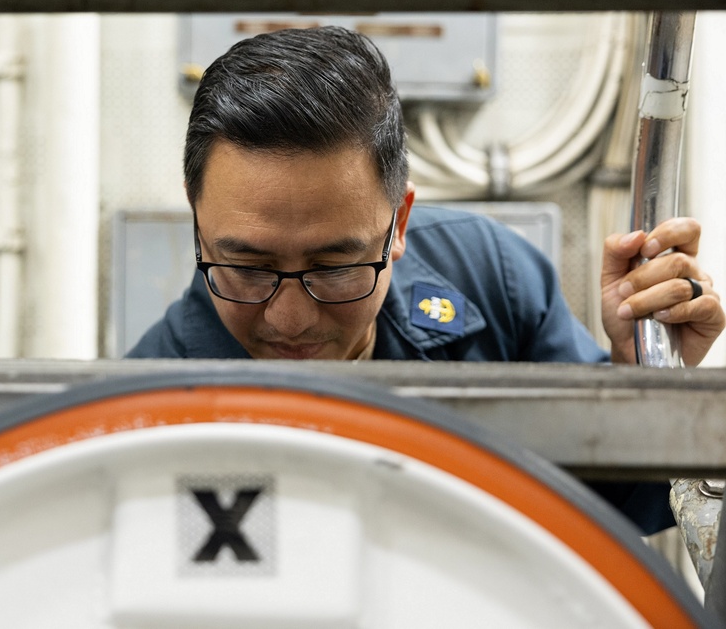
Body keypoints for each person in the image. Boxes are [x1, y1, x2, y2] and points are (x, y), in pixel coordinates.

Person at [126, 26, 725, 534]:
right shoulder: (143, 414)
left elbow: (608, 510)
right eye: (249, 268)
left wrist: (646, 383)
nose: (290, 318)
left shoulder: (491, 277)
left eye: (336, 267)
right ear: (199, 224)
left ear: (400, 223)